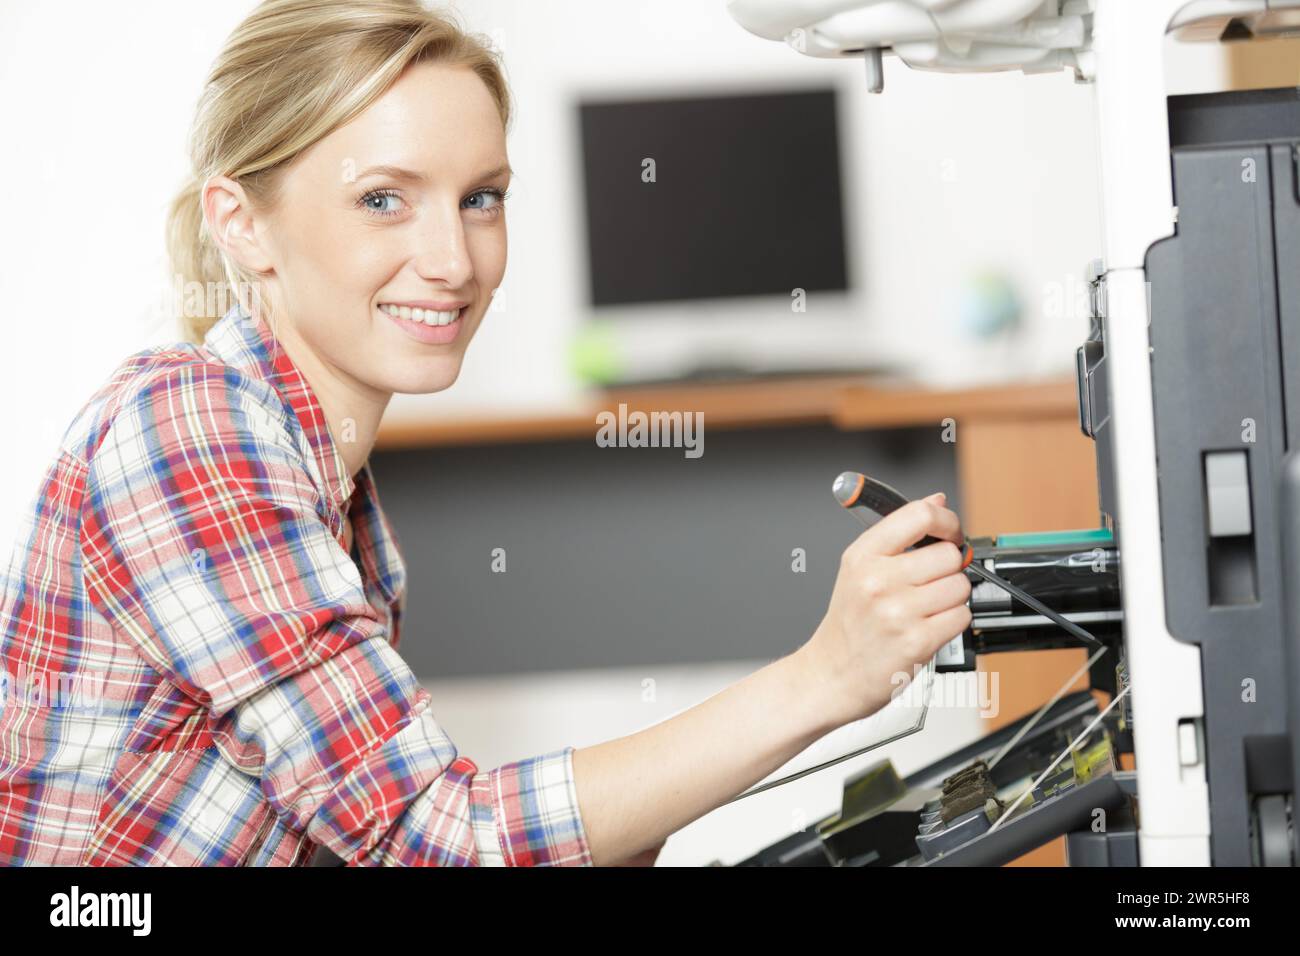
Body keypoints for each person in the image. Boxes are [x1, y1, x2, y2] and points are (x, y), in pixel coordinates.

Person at [0, 0, 972, 867]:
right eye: (383, 198)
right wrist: (825, 676)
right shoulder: (187, 433)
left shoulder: (328, 485)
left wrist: (627, 820)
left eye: (480, 198)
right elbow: (432, 839)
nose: (452, 259)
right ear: (243, 223)